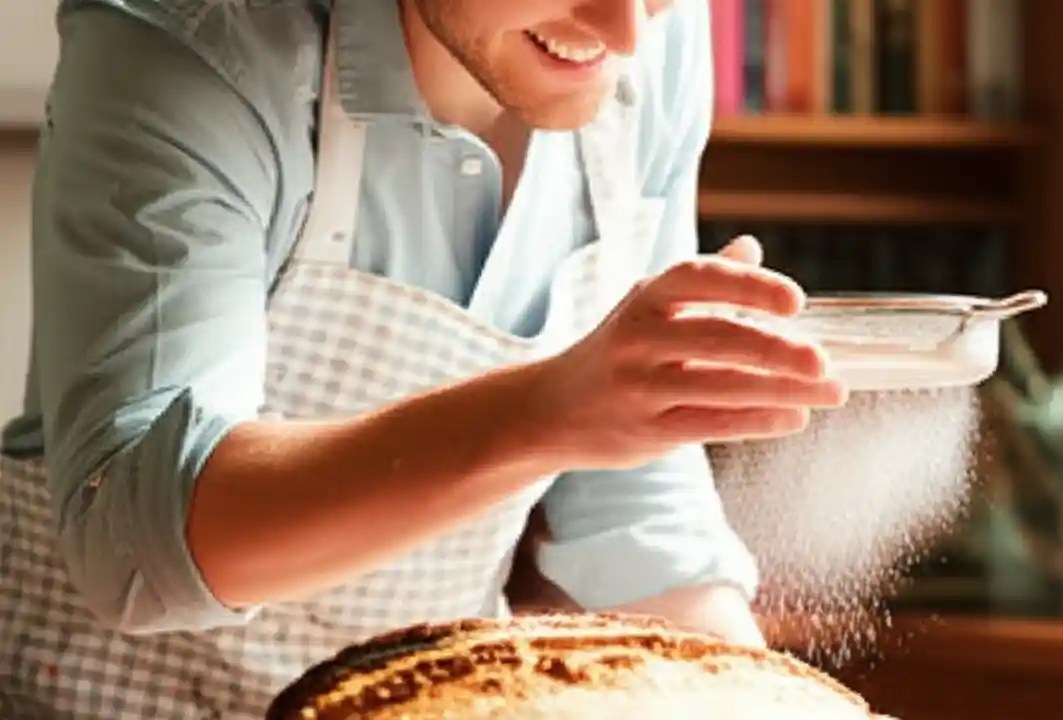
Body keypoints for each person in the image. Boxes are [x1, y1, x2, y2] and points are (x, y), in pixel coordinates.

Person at [0, 0, 847, 716]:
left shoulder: (652, 34)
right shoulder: (189, 43)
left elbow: (633, 509)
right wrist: (542, 414)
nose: (625, 33)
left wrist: (755, 694)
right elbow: (136, 548)